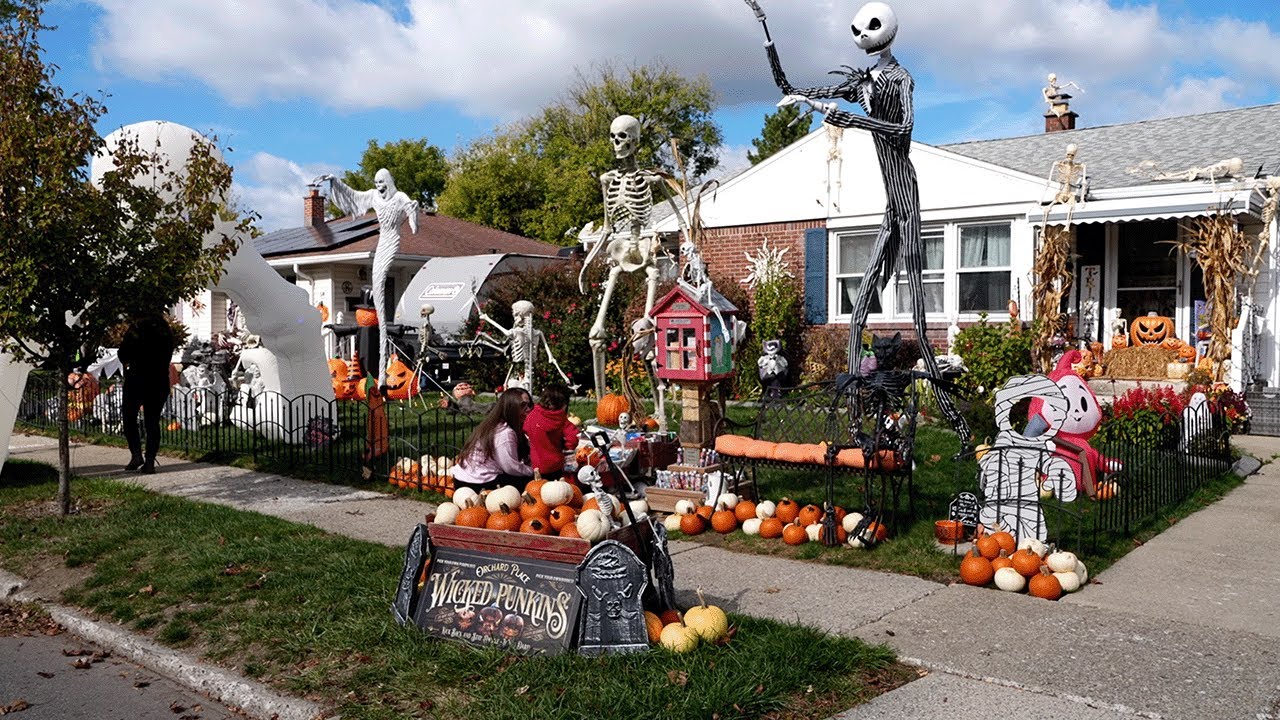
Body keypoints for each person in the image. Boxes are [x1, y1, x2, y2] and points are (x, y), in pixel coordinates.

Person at [118, 312, 176, 473]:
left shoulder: (136, 330)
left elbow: (123, 354)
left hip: (137, 379)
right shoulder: (165, 332)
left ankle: (136, 454)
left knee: (129, 418)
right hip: (158, 380)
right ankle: (149, 460)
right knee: (152, 422)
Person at [453, 389, 534, 491]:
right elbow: (510, 467)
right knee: (530, 481)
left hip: (463, 478)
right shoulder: (505, 433)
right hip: (476, 483)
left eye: (529, 405)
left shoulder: (494, 424)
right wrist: (531, 471)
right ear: (511, 408)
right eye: (522, 405)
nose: (528, 409)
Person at [524, 384, 580, 480]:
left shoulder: (533, 414)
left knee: (539, 488)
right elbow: (573, 437)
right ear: (564, 404)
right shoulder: (560, 418)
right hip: (555, 463)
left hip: (536, 462)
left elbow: (525, 428)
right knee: (556, 490)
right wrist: (567, 446)